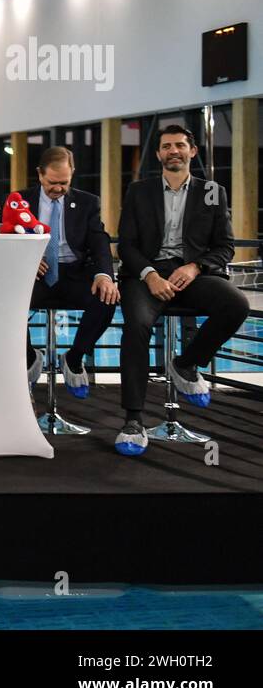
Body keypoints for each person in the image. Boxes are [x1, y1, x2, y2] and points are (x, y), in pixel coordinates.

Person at [114, 125, 249, 457]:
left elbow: (225, 247)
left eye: (179, 145)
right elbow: (126, 245)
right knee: (136, 328)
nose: (173, 150)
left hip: (190, 274)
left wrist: (194, 267)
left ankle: (187, 364)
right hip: (145, 276)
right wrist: (149, 275)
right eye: (166, 146)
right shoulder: (138, 191)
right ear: (158, 154)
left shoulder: (212, 191)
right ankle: (133, 420)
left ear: (192, 152)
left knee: (236, 304)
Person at [17, 146, 119, 399]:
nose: (58, 188)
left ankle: (74, 358)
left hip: (74, 274)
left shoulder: (88, 202)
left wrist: (104, 275)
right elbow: (7, 237)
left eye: (64, 182)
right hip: (35, 275)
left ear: (72, 173)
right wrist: (27, 258)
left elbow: (99, 242)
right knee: (7, 301)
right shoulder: (20, 200)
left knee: (106, 299)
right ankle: (29, 358)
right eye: (52, 182)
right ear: (40, 174)